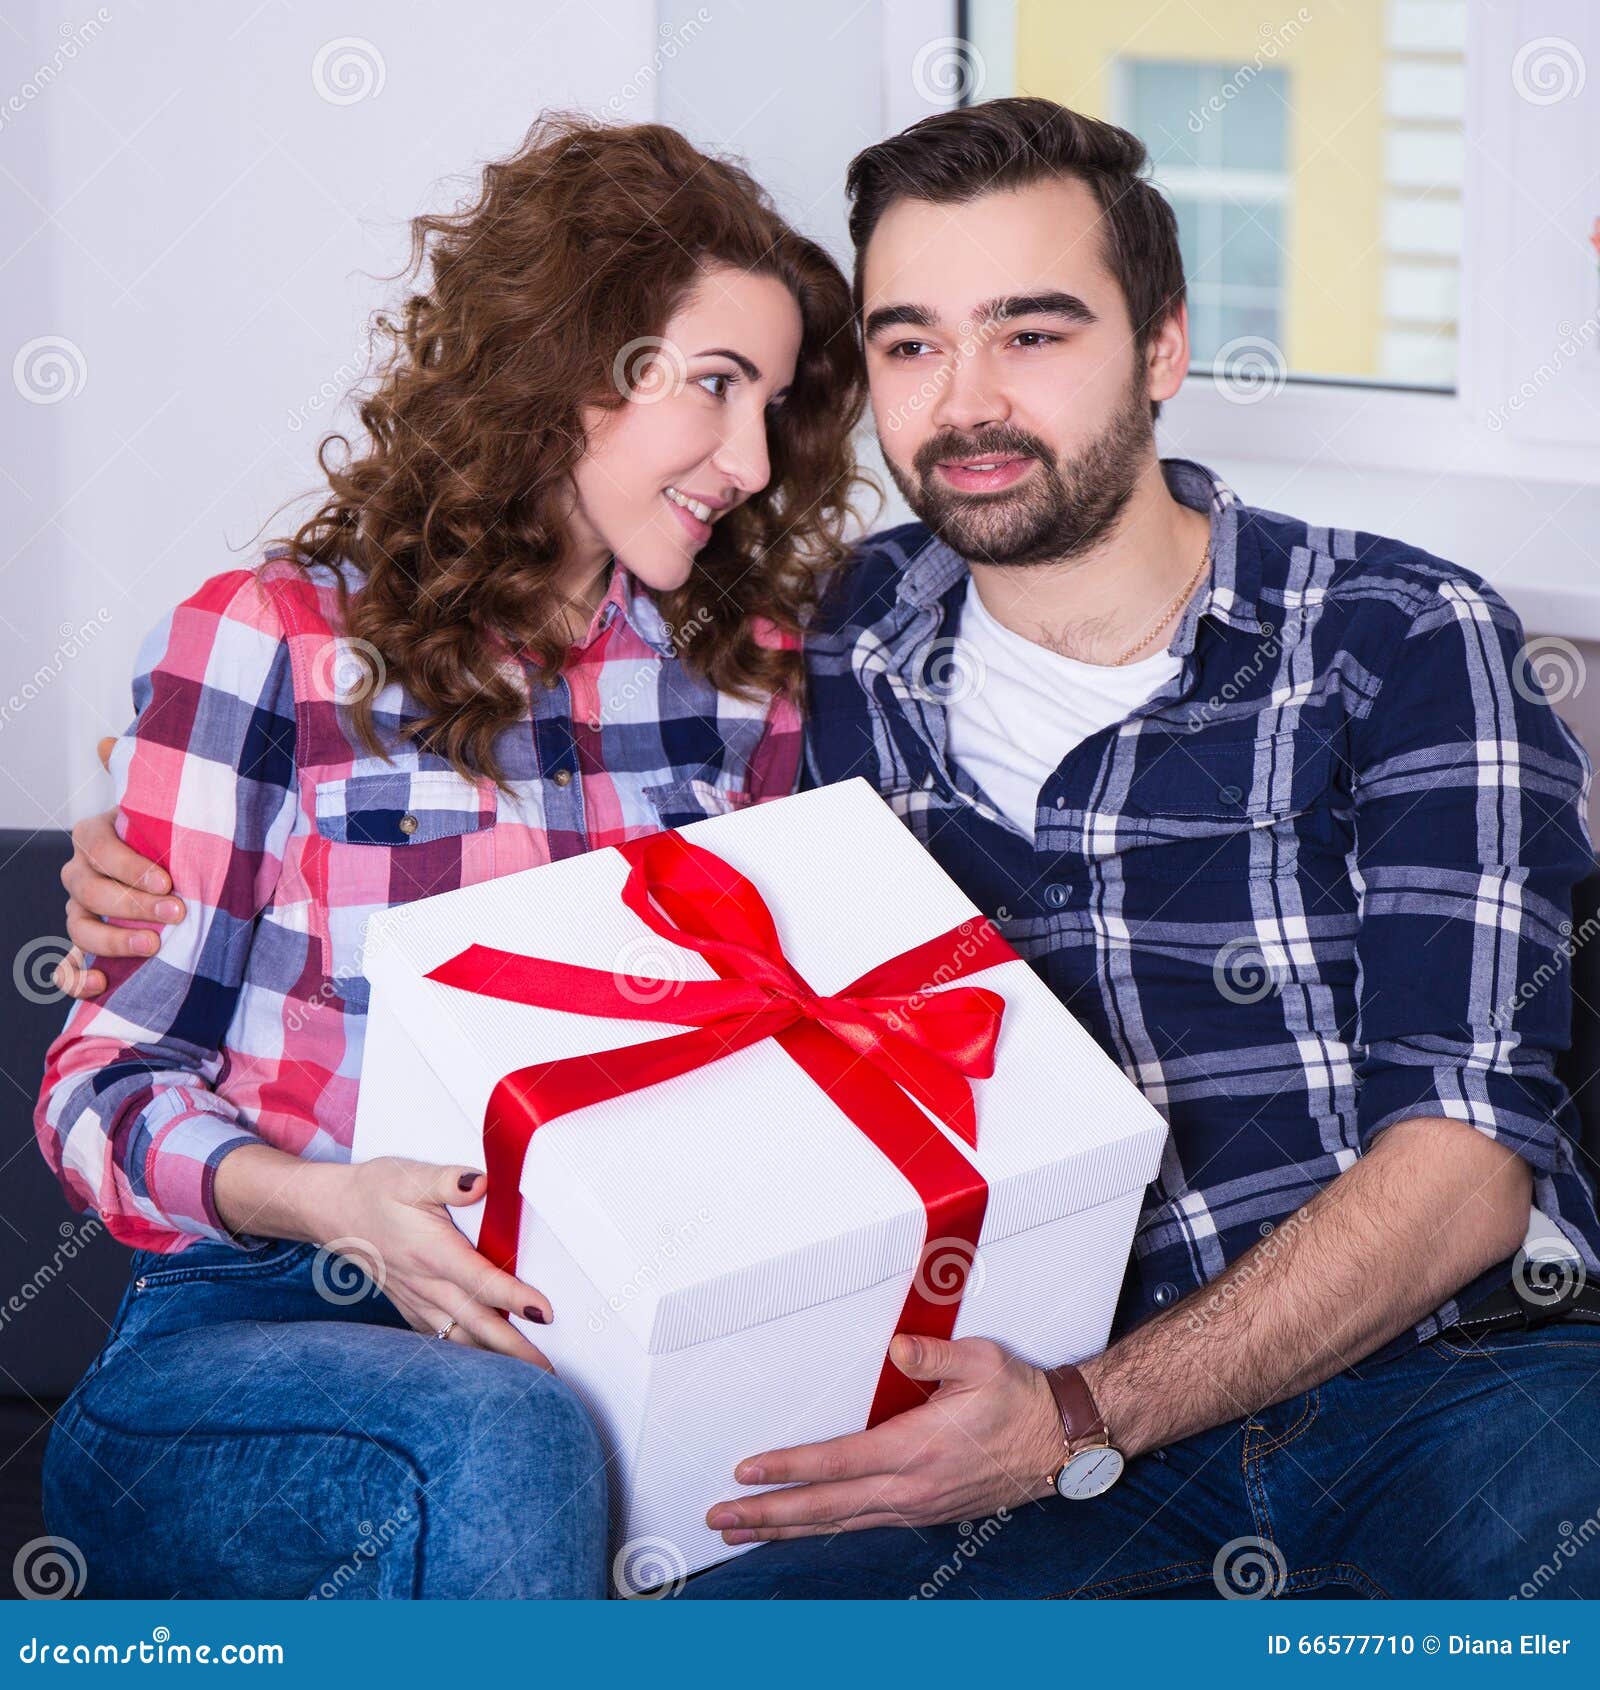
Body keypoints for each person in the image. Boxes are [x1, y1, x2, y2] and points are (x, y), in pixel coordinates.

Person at [54, 99, 1600, 1601]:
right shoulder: (805, 652)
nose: (962, 399)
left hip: (1421, 1381)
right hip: (388, 1311)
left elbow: (1464, 1154)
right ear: (565, 367)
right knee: (627, 1534)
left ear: (1165, 349)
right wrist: (140, 835)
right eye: (908, 344)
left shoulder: (1379, 639)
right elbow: (120, 1063)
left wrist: (1072, 1409)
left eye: (1032, 333)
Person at [32, 111, 866, 1600]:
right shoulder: (271, 641)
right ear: (571, 366)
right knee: (505, 1439)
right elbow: (103, 1085)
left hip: (593, 1327)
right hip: (258, 1320)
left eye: (774, 403)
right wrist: (338, 1204)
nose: (750, 458)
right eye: (716, 384)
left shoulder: (746, 688)